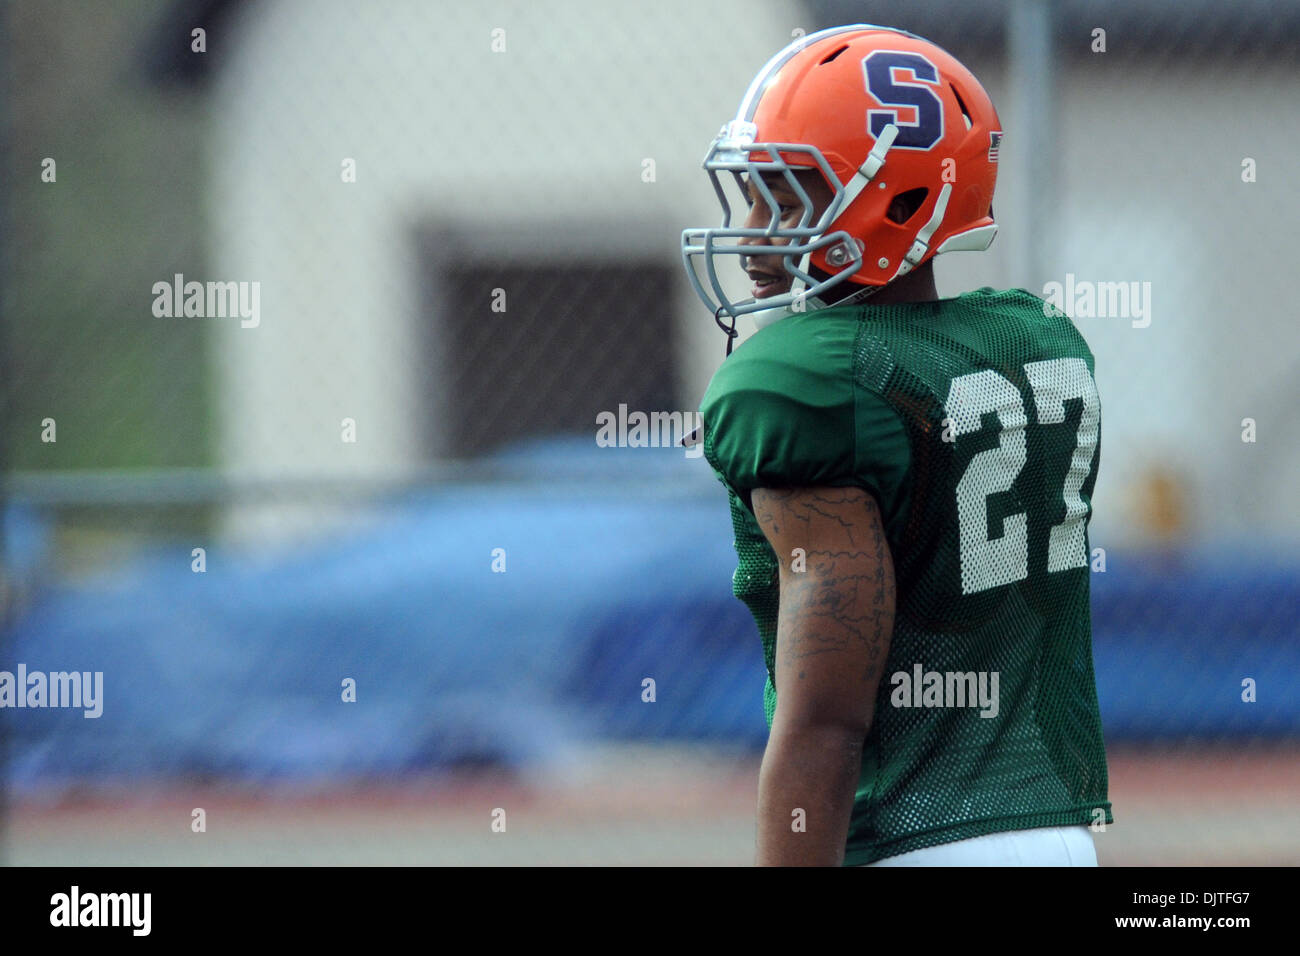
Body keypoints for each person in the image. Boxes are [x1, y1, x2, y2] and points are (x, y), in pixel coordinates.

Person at [681, 24, 1111, 866]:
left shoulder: (812, 382)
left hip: (905, 845)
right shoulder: (1033, 341)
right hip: (1052, 836)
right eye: (755, 190)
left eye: (790, 194)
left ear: (898, 199)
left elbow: (828, 722)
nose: (757, 229)